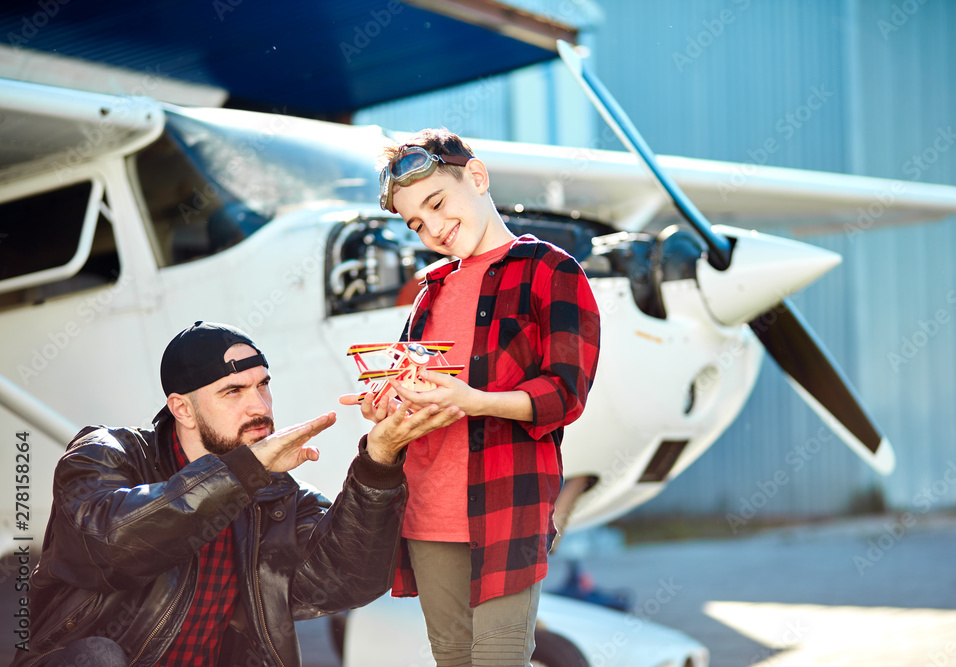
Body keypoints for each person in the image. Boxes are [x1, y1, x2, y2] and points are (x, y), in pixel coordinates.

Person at [14, 321, 462, 667]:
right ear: (182, 408)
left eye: (263, 384)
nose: (261, 407)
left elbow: (346, 580)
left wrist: (380, 460)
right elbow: (108, 545)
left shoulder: (275, 496)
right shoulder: (108, 453)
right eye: (233, 391)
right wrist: (244, 472)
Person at [356, 129, 600, 665]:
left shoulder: (550, 270)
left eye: (438, 203)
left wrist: (477, 401)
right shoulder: (430, 291)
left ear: (478, 177)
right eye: (416, 223)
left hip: (506, 511)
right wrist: (388, 407)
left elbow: (565, 394)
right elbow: (417, 391)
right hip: (425, 516)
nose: (434, 228)